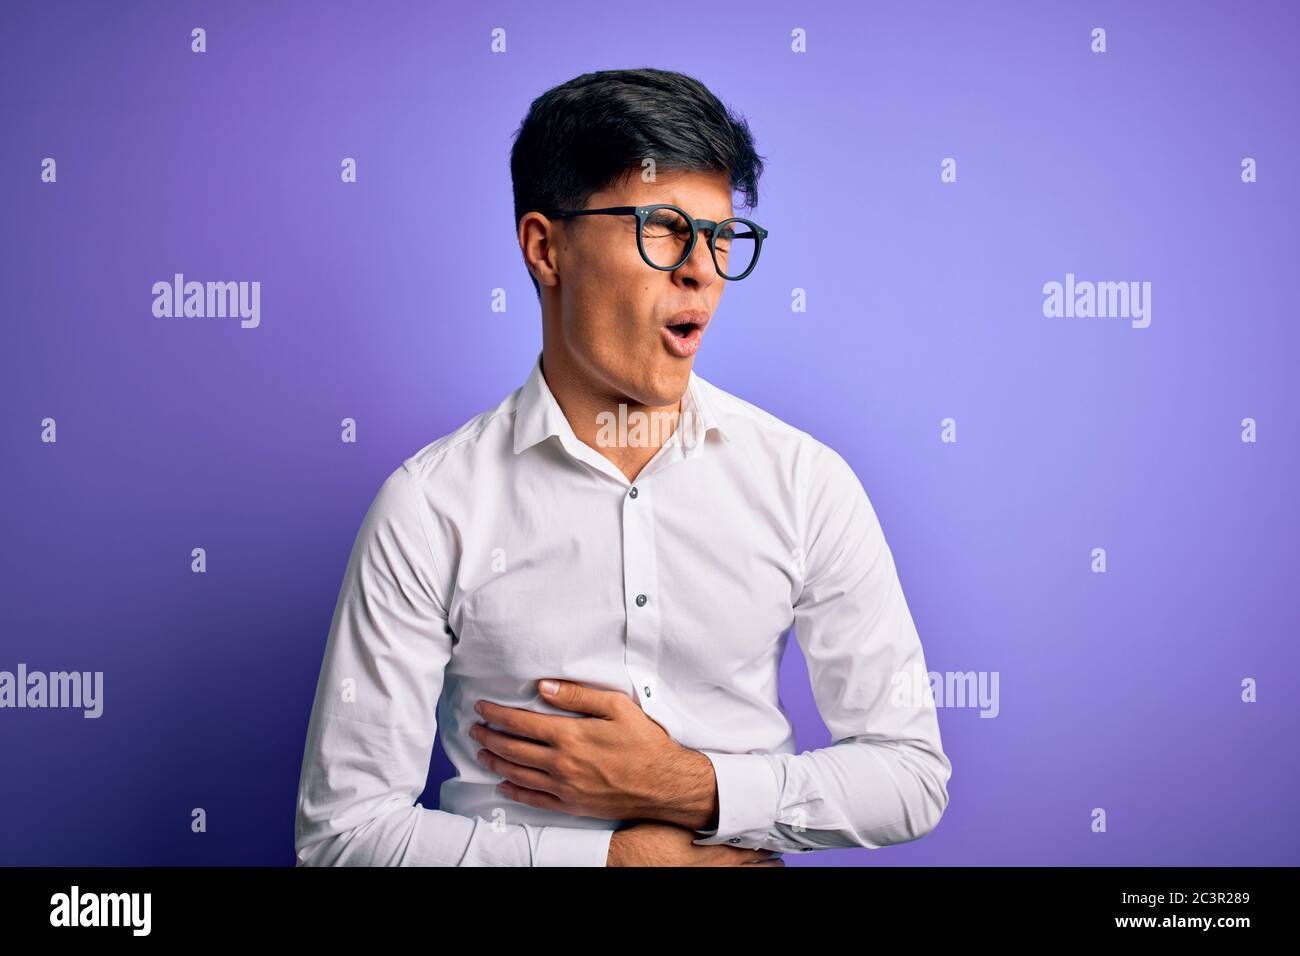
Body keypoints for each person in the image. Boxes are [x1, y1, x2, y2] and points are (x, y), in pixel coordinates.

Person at [294, 67, 951, 867]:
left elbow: (911, 773)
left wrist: (685, 783)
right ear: (546, 248)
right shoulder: (430, 507)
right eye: (665, 228)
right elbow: (343, 838)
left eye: (721, 237)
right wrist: (612, 866)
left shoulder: (806, 483)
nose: (702, 270)